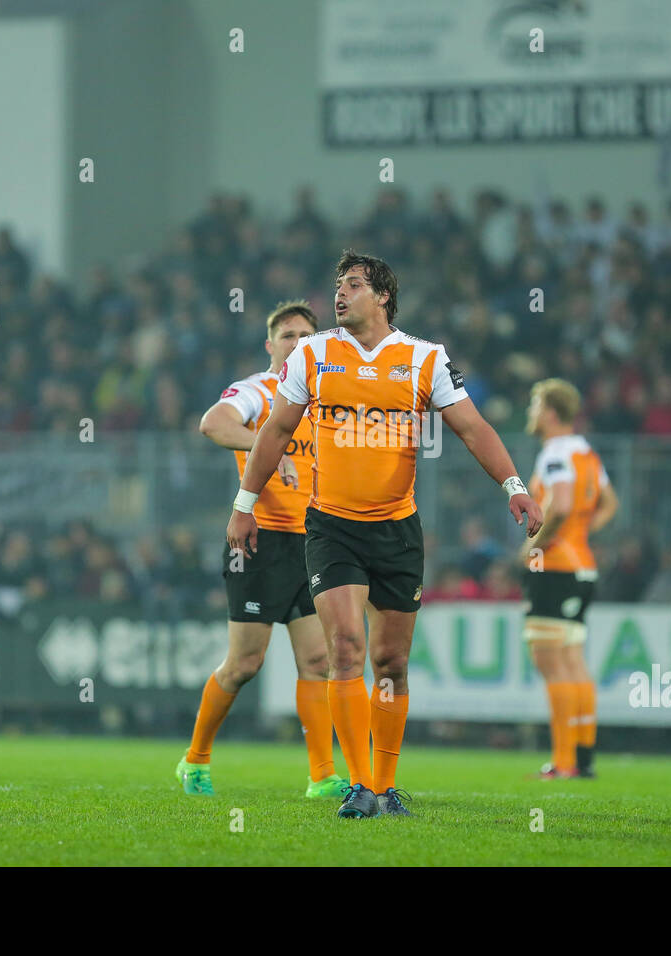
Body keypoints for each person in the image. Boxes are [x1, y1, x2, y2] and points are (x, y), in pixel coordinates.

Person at [225, 251, 543, 818]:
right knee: (345, 648)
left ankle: (386, 785)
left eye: (352, 285)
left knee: (391, 662)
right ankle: (359, 785)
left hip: (397, 530)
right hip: (330, 527)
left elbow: (472, 428)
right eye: (338, 286)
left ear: (383, 297)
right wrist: (244, 505)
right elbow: (274, 430)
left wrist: (513, 485)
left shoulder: (425, 359)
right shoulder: (314, 353)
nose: (339, 295)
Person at [177, 301, 347, 799]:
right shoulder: (259, 390)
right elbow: (213, 423)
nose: (297, 343)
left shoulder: (325, 400)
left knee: (317, 662)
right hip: (258, 542)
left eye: (306, 336)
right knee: (245, 665)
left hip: (313, 542)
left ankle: (322, 776)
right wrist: (263, 447)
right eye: (287, 335)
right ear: (270, 345)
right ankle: (196, 760)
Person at [520, 378, 616, 779]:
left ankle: (563, 762)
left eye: (536, 404)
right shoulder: (586, 452)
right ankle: (583, 757)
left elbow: (558, 504)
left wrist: (535, 545)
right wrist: (580, 534)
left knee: (551, 662)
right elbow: (610, 503)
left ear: (552, 412)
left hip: (555, 567)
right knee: (574, 662)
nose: (532, 412)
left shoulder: (556, 452)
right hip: (582, 565)